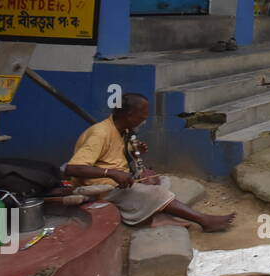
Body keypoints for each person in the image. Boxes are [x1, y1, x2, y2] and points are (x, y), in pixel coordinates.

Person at [65, 94, 235, 231]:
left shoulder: (122, 130)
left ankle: (159, 216)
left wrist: (133, 152)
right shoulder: (100, 133)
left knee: (160, 180)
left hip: (121, 180)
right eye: (142, 116)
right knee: (157, 193)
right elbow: (72, 168)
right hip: (102, 187)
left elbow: (111, 157)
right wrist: (113, 173)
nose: (144, 120)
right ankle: (204, 220)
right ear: (129, 115)